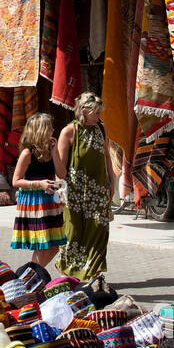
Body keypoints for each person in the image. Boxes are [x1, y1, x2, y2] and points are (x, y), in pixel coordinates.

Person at [53, 91, 120, 283]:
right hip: (74, 191)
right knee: (73, 233)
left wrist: (111, 181)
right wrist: (60, 191)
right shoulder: (69, 131)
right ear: (84, 111)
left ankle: (94, 272)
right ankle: (66, 269)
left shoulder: (101, 128)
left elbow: (106, 155)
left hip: (97, 189)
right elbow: (61, 165)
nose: (99, 115)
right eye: (96, 112)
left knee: (99, 230)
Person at [11, 112, 67, 268]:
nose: (53, 130)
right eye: (49, 127)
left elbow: (62, 175)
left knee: (54, 245)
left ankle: (32, 274)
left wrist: (55, 152)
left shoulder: (51, 150)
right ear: (40, 130)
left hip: (49, 201)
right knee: (42, 245)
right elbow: (16, 181)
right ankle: (32, 276)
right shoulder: (27, 153)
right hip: (34, 201)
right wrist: (39, 184)